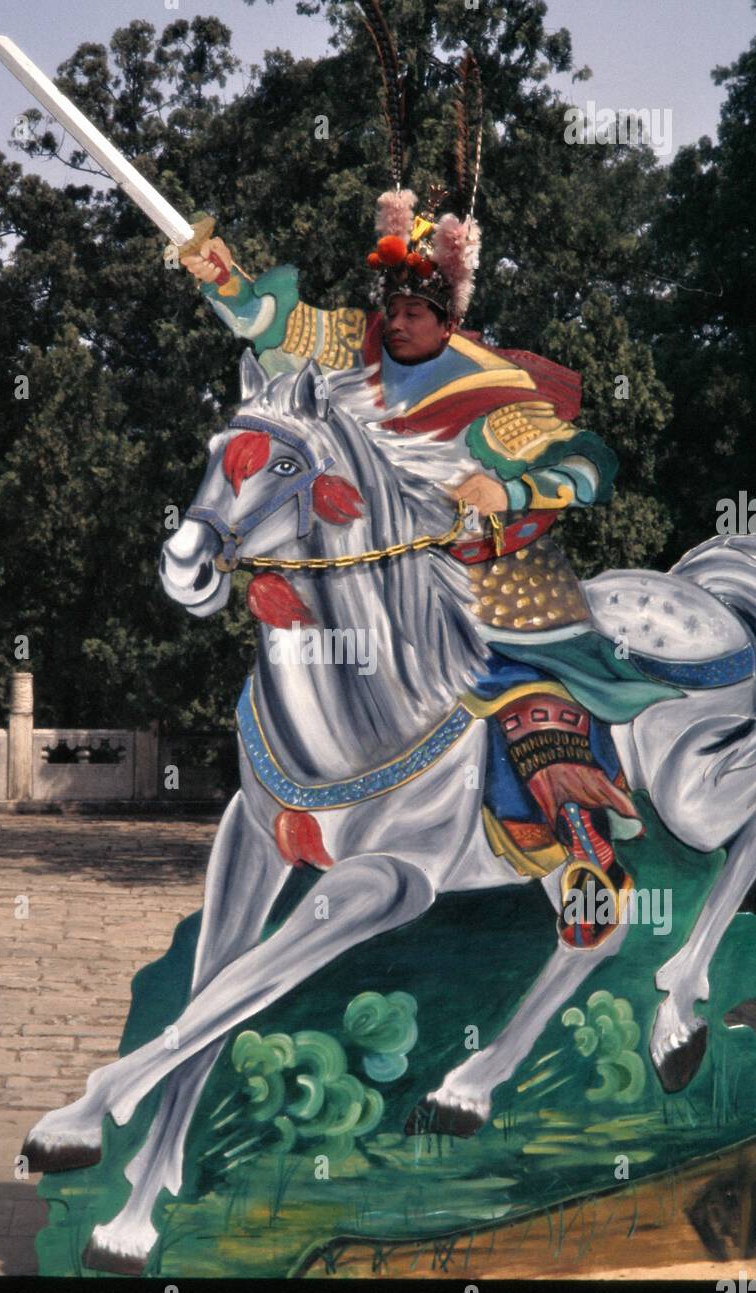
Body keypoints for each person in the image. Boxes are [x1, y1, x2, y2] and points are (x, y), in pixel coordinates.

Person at [179, 189, 675, 947]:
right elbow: (272, 323)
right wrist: (220, 278)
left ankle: (583, 853)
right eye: (394, 308)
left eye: (417, 312)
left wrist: (506, 488)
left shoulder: (492, 391)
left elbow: (585, 465)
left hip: (494, 568)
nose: (400, 323)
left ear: (449, 320)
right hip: (383, 569)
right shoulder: (354, 345)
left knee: (522, 686)